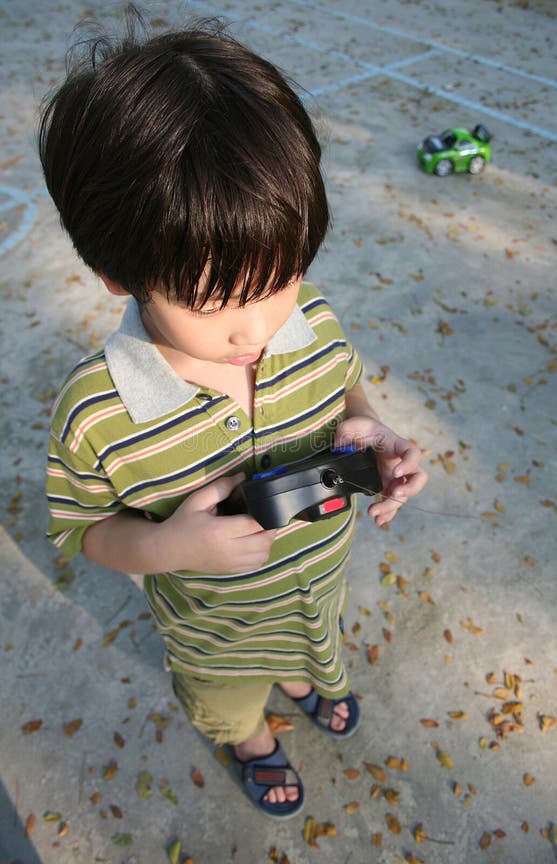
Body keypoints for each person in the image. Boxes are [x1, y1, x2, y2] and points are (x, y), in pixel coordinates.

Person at [40, 9, 428, 819]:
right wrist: (169, 545)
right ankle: (249, 736)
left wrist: (369, 426)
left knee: (311, 647)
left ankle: (300, 676)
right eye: (215, 303)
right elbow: (83, 530)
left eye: (282, 275)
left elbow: (344, 380)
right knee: (229, 698)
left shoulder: (307, 316)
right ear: (119, 274)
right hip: (216, 634)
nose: (256, 325)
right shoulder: (97, 414)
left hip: (314, 580)